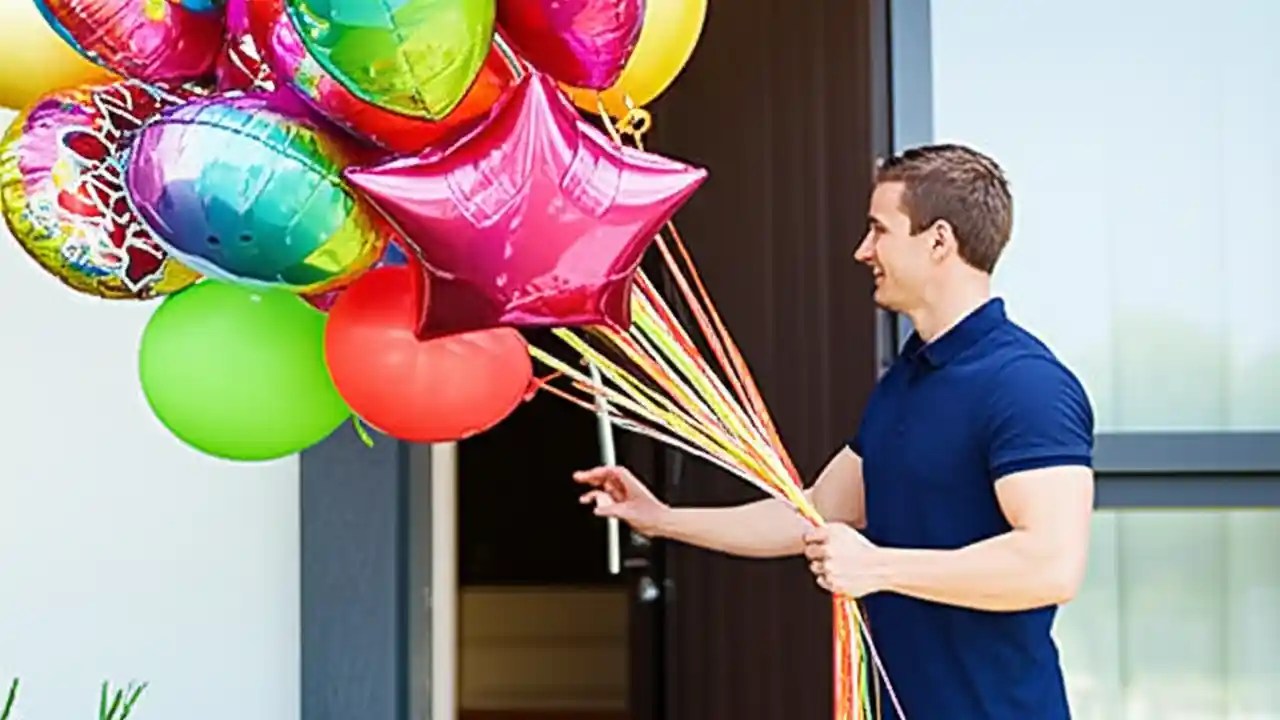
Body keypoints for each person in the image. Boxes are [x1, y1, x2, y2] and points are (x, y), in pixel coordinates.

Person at [574, 143, 1096, 719]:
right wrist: (660, 519)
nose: (862, 250)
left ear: (939, 241)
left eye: (879, 230)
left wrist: (878, 567)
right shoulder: (907, 378)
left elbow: (1050, 564)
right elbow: (819, 511)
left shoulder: (1025, 384)